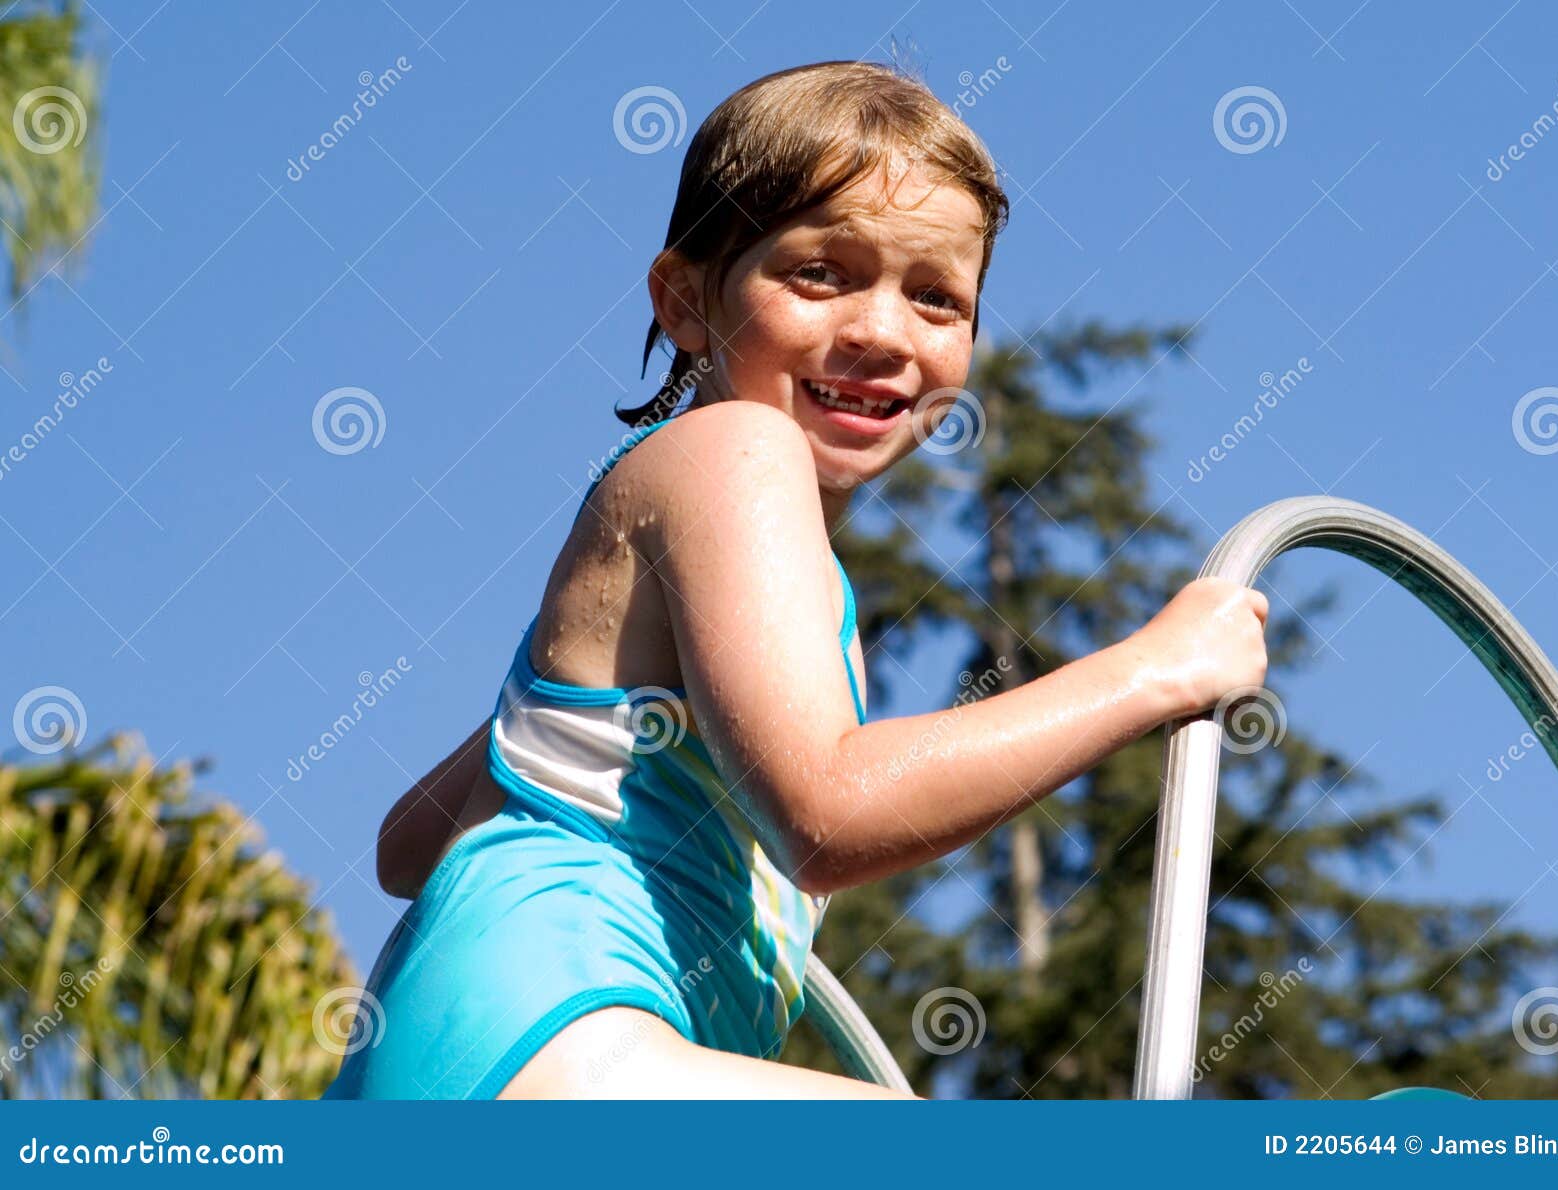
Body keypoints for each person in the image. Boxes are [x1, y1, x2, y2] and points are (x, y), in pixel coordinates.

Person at [322, 59, 1268, 1100]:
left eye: (937, 297)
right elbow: (827, 811)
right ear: (686, 300)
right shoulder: (733, 450)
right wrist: (1154, 670)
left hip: (458, 1052)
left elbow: (411, 841)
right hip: (551, 1047)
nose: (878, 331)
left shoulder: (725, 551)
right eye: (821, 272)